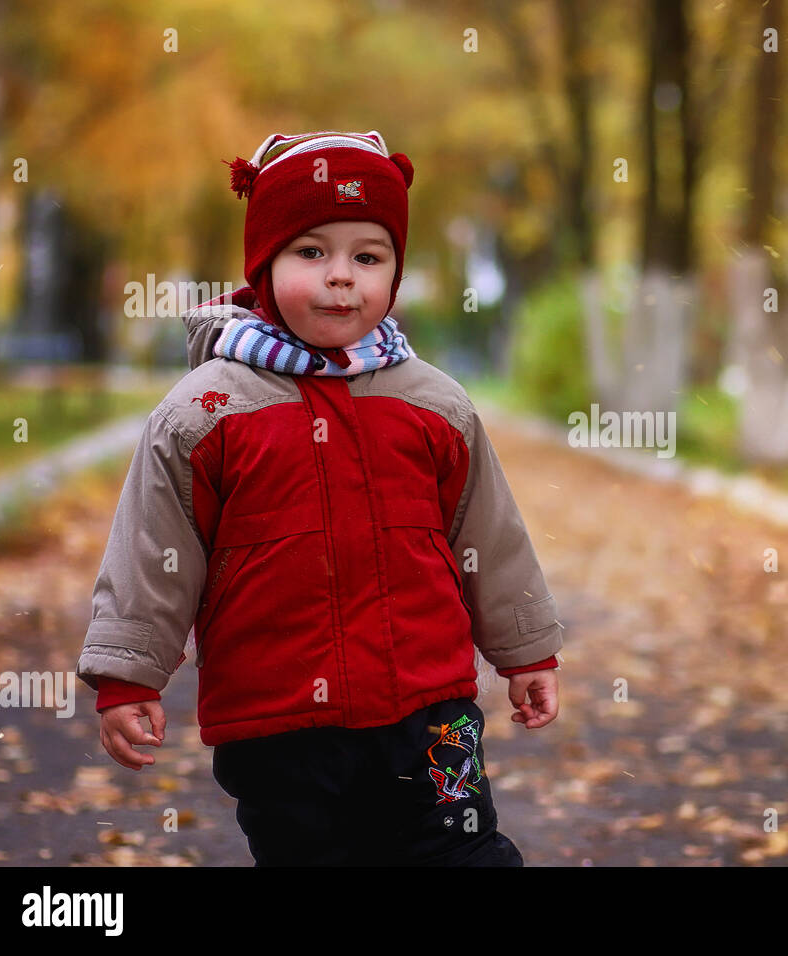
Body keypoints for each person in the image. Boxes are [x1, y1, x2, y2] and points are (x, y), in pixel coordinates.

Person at [75, 130, 563, 866]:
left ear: (395, 273)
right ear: (263, 264)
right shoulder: (206, 411)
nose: (342, 277)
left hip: (430, 712)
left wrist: (526, 651)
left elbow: (488, 535)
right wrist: (128, 673)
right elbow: (154, 550)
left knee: (466, 855)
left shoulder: (435, 404)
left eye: (368, 257)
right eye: (311, 253)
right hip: (280, 726)